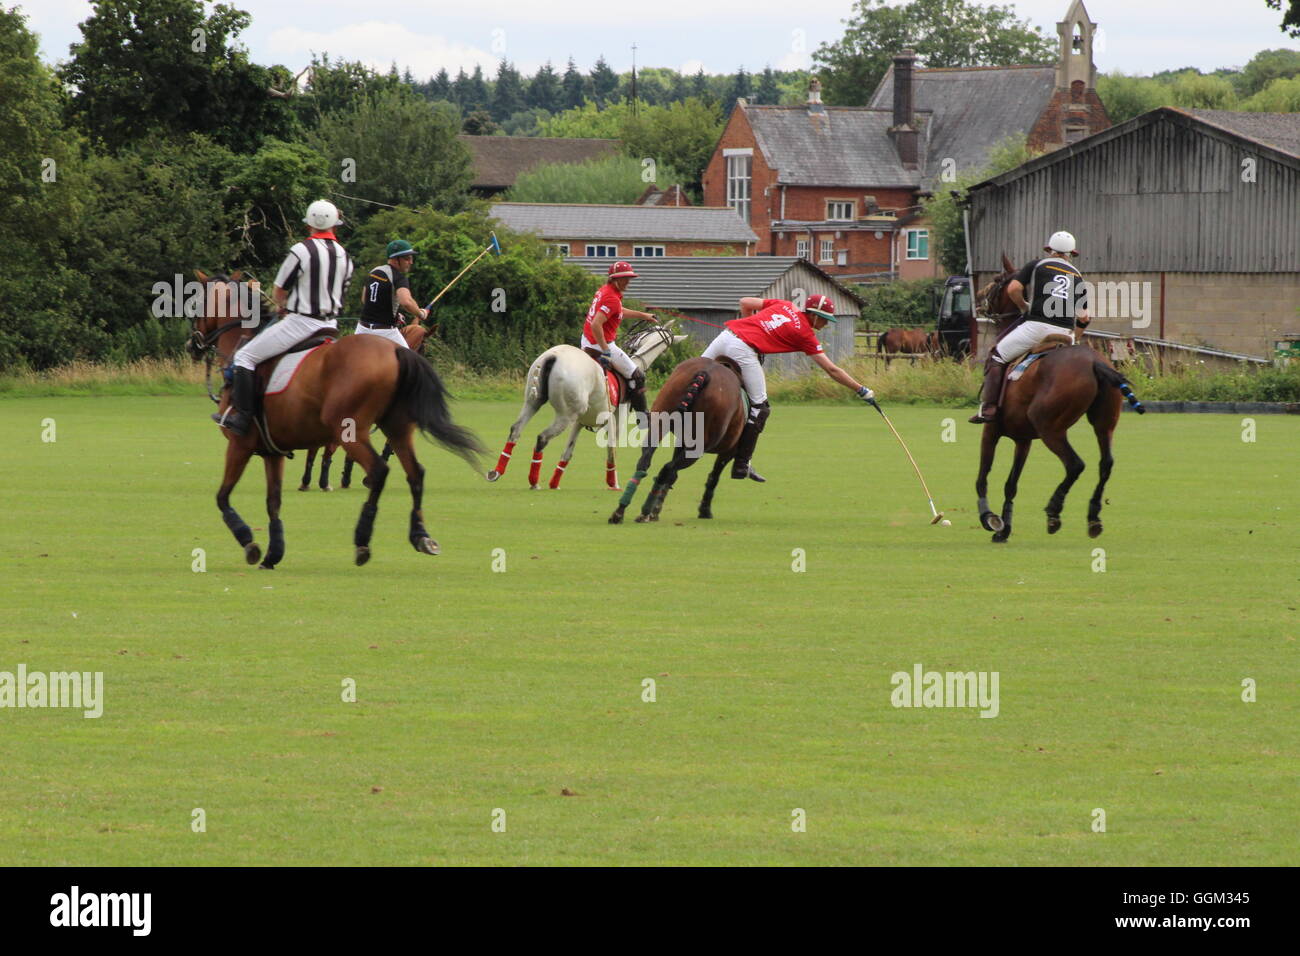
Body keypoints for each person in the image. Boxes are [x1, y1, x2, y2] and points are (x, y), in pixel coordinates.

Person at [213, 200, 354, 435]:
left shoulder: (301, 250)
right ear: (335, 226)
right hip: (330, 325)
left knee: (245, 356)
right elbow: (343, 291)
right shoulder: (345, 256)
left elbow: (279, 290)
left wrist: (282, 306)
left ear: (309, 225)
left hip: (300, 324)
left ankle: (243, 418)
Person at [702, 293, 875, 482]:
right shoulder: (806, 335)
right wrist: (861, 389)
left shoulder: (785, 305)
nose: (826, 324)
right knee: (761, 408)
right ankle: (742, 464)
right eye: (824, 319)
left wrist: (749, 324)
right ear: (814, 315)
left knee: (694, 380)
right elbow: (832, 370)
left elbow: (744, 302)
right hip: (743, 350)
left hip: (724, 337)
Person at [968, 230, 1091, 424]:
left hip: (1037, 327)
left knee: (996, 355)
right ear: (1072, 254)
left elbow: (1013, 289)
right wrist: (1074, 339)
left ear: (1049, 249)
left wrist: (1024, 307)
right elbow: (1084, 317)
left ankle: (989, 408)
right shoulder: (1078, 276)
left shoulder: (1037, 265)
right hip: (1066, 332)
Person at [580, 261, 659, 416]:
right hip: (599, 343)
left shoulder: (605, 290)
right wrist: (606, 351)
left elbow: (617, 310)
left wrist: (643, 315)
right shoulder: (612, 298)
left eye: (629, 278)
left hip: (587, 339)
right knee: (638, 376)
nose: (628, 282)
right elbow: (597, 324)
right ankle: (643, 417)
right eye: (625, 278)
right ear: (615, 279)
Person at [355, 239, 427, 347]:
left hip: (362, 329)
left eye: (411, 258)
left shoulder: (374, 271)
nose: (411, 262)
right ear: (395, 259)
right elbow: (406, 301)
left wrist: (395, 314)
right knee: (408, 360)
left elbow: (364, 299)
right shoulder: (399, 278)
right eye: (407, 258)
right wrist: (421, 314)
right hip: (385, 332)